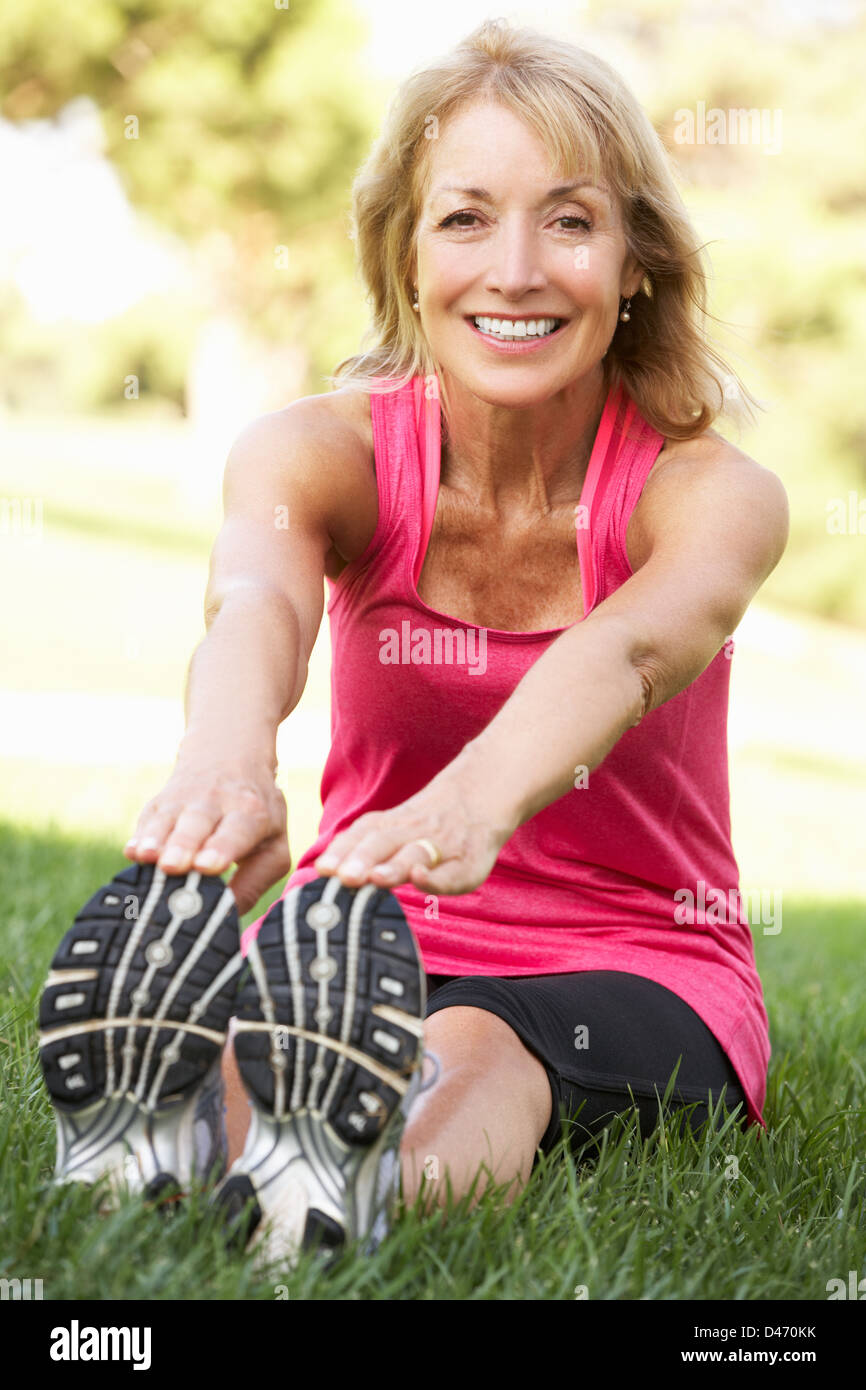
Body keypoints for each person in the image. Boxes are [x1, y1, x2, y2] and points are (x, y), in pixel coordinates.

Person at [39, 20, 788, 1264]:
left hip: (634, 951)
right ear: (402, 251)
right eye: (462, 220)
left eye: (567, 221)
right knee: (251, 1044)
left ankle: (353, 1188)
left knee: (477, 1039)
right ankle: (163, 1151)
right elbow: (256, 604)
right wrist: (226, 763)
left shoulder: (708, 492)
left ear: (636, 259)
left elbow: (628, 654)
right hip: (359, 927)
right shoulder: (313, 453)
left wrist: (470, 808)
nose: (513, 271)